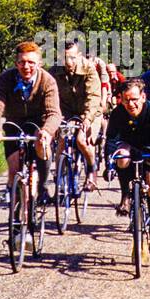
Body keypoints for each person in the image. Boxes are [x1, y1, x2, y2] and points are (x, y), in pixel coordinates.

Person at [0, 41, 62, 206]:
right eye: (21, 62)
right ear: (16, 63)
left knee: (42, 145)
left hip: (39, 124)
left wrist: (47, 131)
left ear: (39, 64)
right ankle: (14, 201)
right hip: (15, 124)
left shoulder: (48, 81)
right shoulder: (6, 78)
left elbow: (54, 113)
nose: (26, 66)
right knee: (14, 169)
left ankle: (42, 186)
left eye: (31, 62)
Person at [104, 78, 150, 254]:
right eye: (126, 100)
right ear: (121, 99)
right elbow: (110, 140)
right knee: (122, 157)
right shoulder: (118, 113)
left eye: (134, 99)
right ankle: (125, 195)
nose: (130, 104)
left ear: (143, 97)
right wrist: (108, 165)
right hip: (129, 146)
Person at [49, 40, 103, 190]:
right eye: (65, 57)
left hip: (90, 111)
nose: (69, 62)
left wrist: (87, 118)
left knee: (82, 140)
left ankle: (92, 171)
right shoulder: (53, 72)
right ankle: (60, 174)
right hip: (66, 112)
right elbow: (50, 97)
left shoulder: (89, 68)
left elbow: (93, 96)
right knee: (62, 140)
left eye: (72, 57)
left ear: (79, 56)